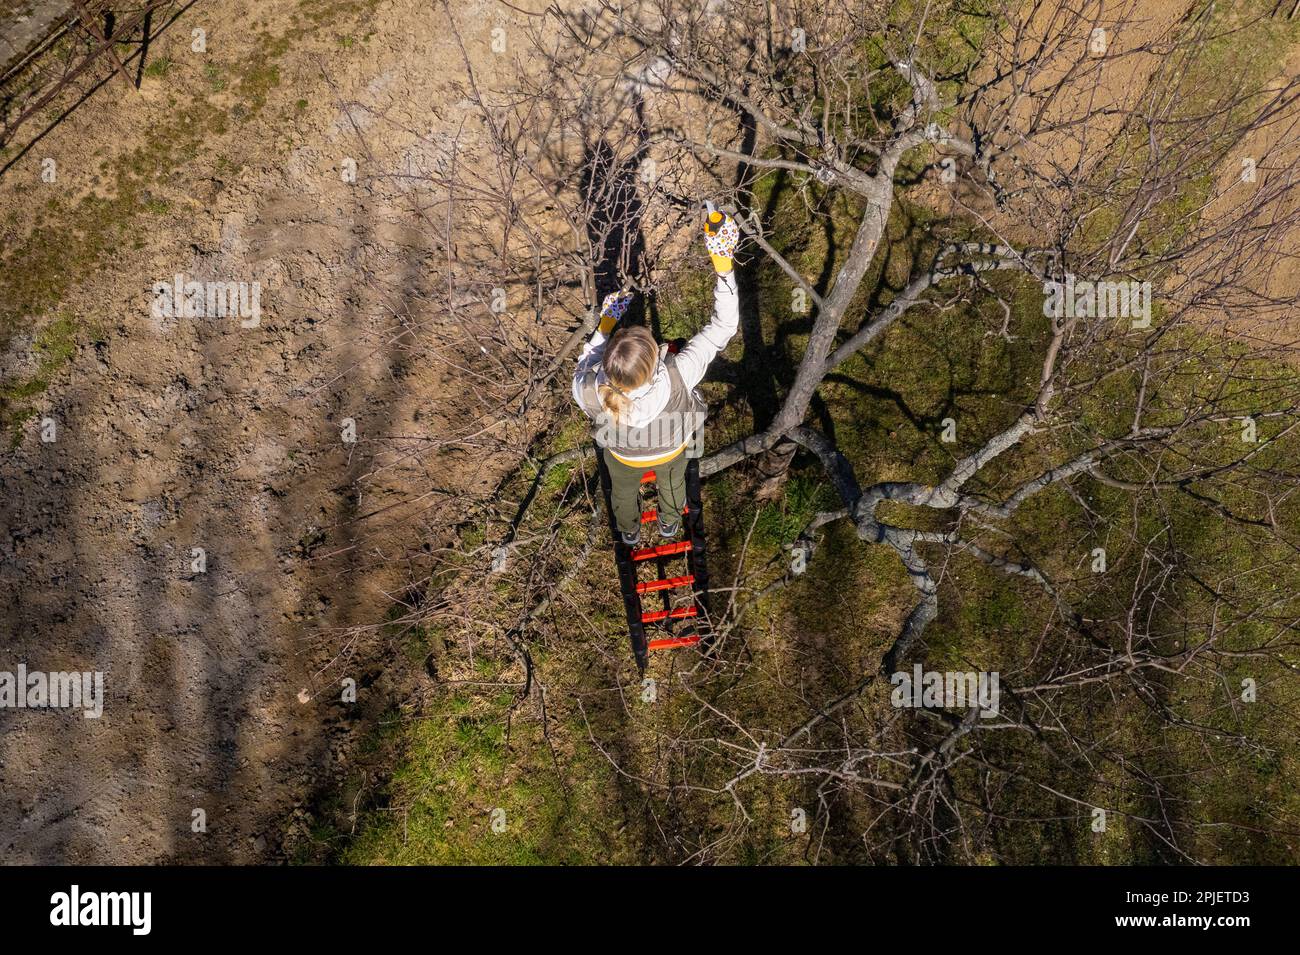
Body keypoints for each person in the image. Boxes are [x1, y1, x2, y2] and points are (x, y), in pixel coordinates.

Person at [573, 209, 740, 547]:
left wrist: (605, 326)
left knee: (621, 492)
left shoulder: (589, 390)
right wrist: (723, 264)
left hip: (622, 455)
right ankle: (668, 524)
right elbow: (724, 326)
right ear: (658, 356)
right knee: (674, 484)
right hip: (670, 448)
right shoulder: (680, 372)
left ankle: (629, 530)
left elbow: (585, 360)